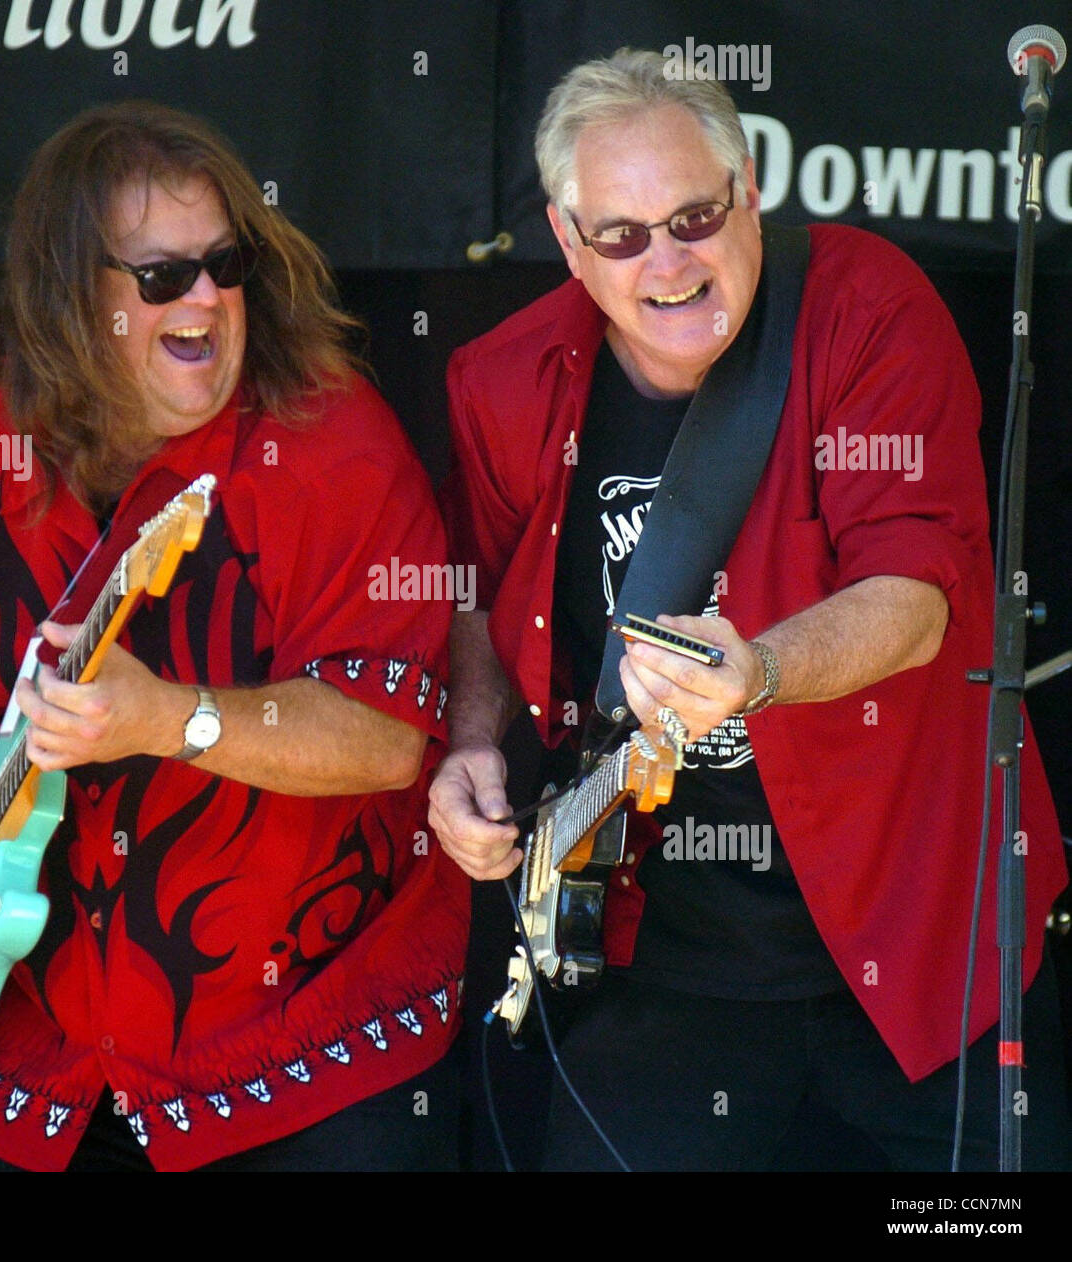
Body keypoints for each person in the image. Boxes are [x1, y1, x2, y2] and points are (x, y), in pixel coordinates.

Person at [431, 47, 1070, 1171]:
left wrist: (758, 666)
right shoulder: (503, 379)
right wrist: (473, 741)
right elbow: (479, 591)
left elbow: (917, 595)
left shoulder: (867, 311)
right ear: (570, 243)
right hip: (663, 960)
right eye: (620, 234)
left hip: (912, 936)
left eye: (693, 216)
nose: (666, 261)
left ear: (749, 197)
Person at [0, 101, 468, 1172]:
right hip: (26, 1051)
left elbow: (384, 735)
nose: (210, 298)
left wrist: (170, 717)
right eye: (162, 275)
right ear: (68, 294)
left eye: (226, 264)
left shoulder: (330, 443)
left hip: (298, 1050)